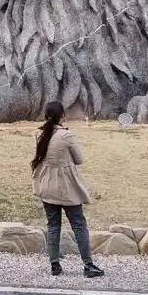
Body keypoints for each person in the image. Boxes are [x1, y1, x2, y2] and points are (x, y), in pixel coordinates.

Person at [31, 101, 105, 278]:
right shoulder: (66, 135)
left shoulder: (39, 133)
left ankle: (54, 264)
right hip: (66, 187)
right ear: (62, 116)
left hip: (47, 185)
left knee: (53, 225)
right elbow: (79, 159)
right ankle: (88, 265)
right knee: (79, 225)